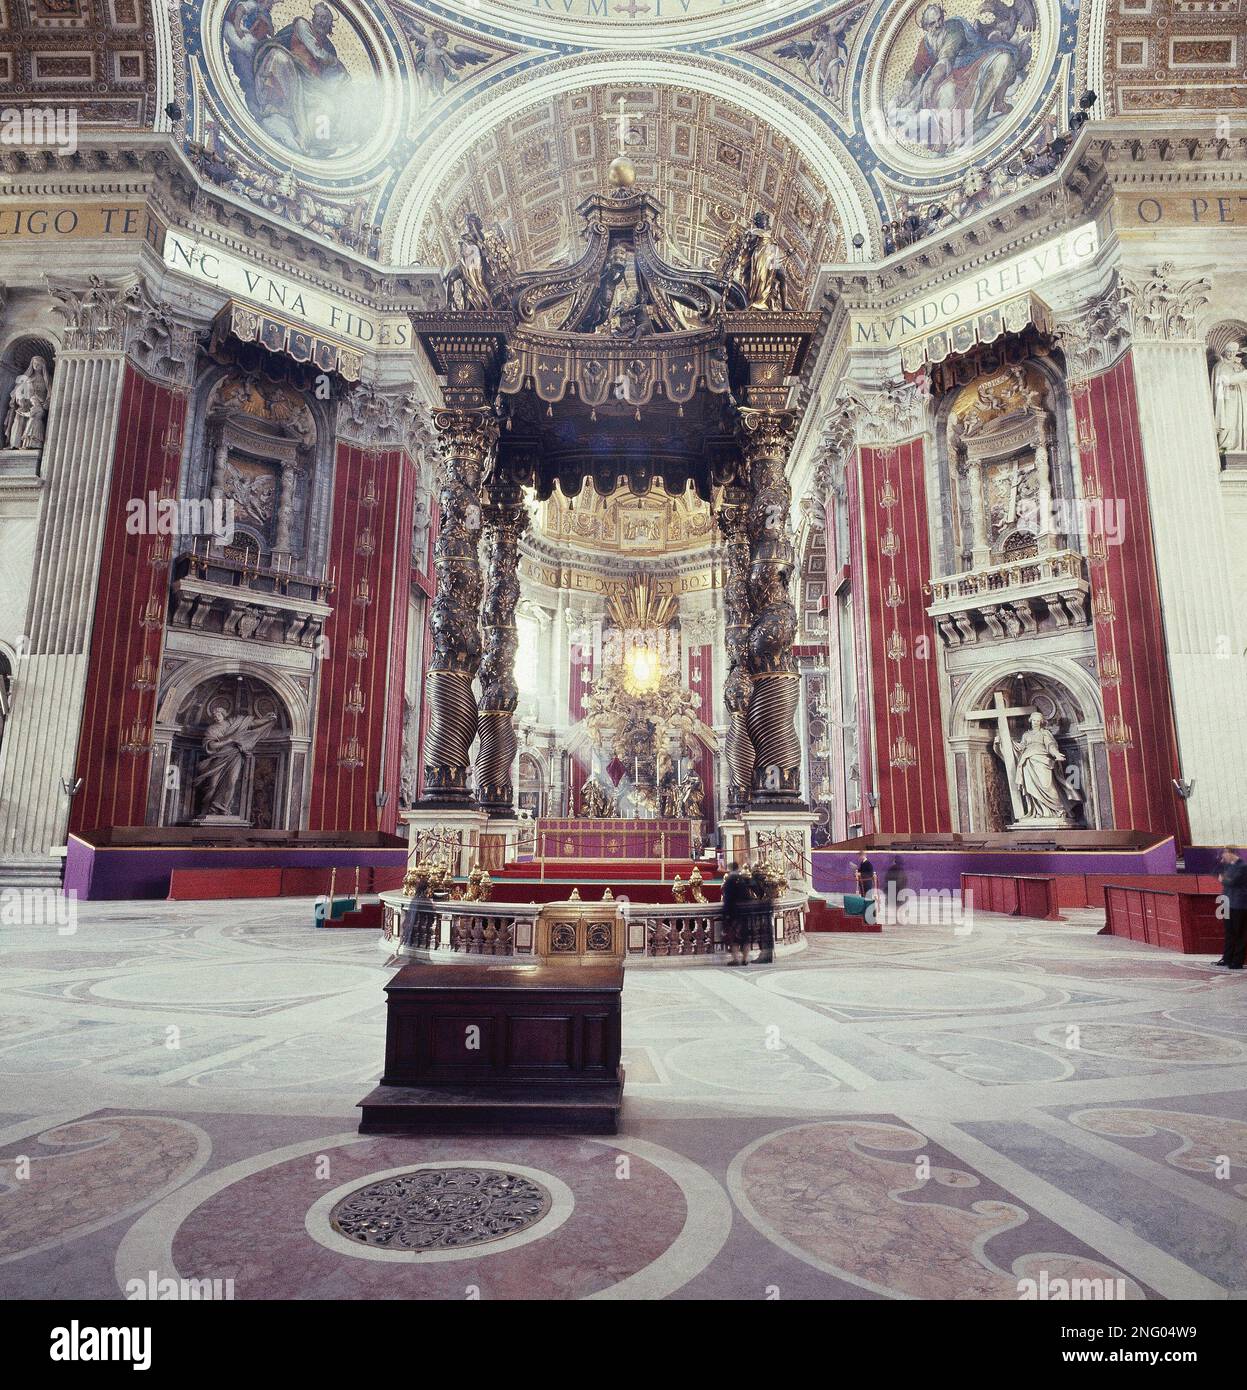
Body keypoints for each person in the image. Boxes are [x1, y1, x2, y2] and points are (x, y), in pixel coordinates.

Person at [1215, 848, 1247, 970]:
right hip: (1227, 903)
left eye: (1225, 855)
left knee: (1240, 933)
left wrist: (1224, 878)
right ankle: (1227, 958)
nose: (1223, 857)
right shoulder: (1229, 866)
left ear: (1232, 853)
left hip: (1240, 904)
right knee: (1229, 932)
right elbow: (1218, 875)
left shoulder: (1243, 866)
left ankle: (1237, 961)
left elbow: (1232, 882)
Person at [721, 861, 748, 966]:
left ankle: (736, 959)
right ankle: (745, 959)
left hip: (733, 912)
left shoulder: (729, 880)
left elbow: (727, 898)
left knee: (734, 938)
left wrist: (726, 913)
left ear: (730, 869)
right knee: (745, 937)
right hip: (744, 912)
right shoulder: (742, 879)